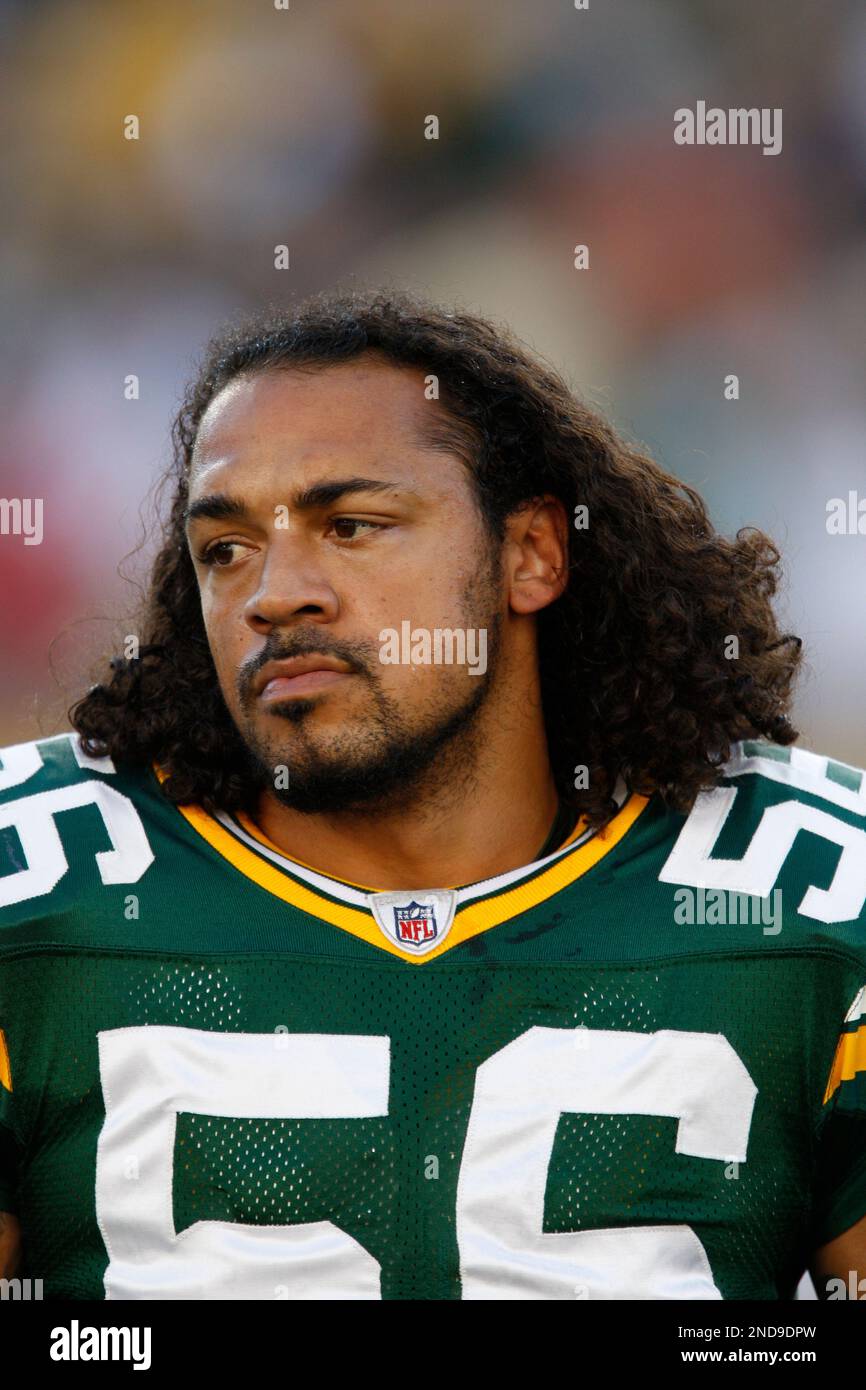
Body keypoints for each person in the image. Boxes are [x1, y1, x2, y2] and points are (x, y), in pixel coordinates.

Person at [1, 290, 863, 1299]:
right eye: (224, 549)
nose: (274, 593)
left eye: (351, 525)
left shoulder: (806, 895)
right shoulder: (37, 888)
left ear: (530, 554)